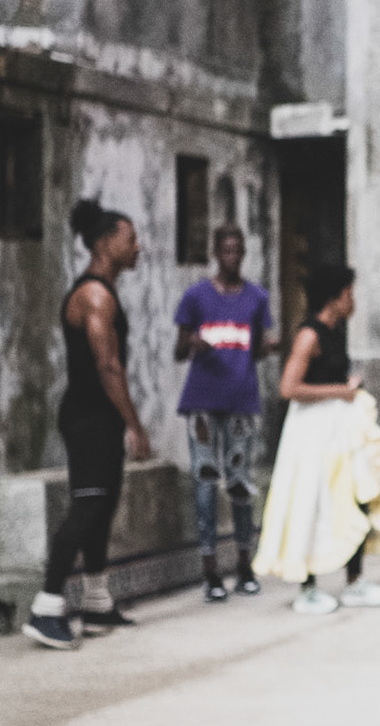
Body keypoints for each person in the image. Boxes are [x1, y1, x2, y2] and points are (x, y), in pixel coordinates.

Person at [23, 199, 153, 650]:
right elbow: (108, 367)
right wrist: (135, 425)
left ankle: (96, 602)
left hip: (97, 417)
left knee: (102, 503)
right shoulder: (95, 295)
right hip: (89, 416)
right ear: (104, 243)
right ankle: (46, 607)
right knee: (87, 506)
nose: (138, 247)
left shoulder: (102, 291)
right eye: (130, 238)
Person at [254, 265, 380, 615]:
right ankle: (308, 587)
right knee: (311, 501)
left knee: (356, 495)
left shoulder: (336, 331)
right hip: (312, 431)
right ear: (336, 297)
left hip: (339, 428)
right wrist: (341, 390)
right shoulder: (310, 335)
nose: (354, 300)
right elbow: (288, 388)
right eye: (350, 293)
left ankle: (355, 581)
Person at [173, 223, 273, 602]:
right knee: (205, 481)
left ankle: (245, 564)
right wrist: (194, 343)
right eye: (225, 251)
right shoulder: (196, 297)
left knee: (240, 482)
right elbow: (179, 350)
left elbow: (260, 349)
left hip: (240, 402)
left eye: (237, 251)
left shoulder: (256, 298)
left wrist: (271, 346)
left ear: (243, 253)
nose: (232, 257)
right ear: (216, 253)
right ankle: (210, 570)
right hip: (202, 399)